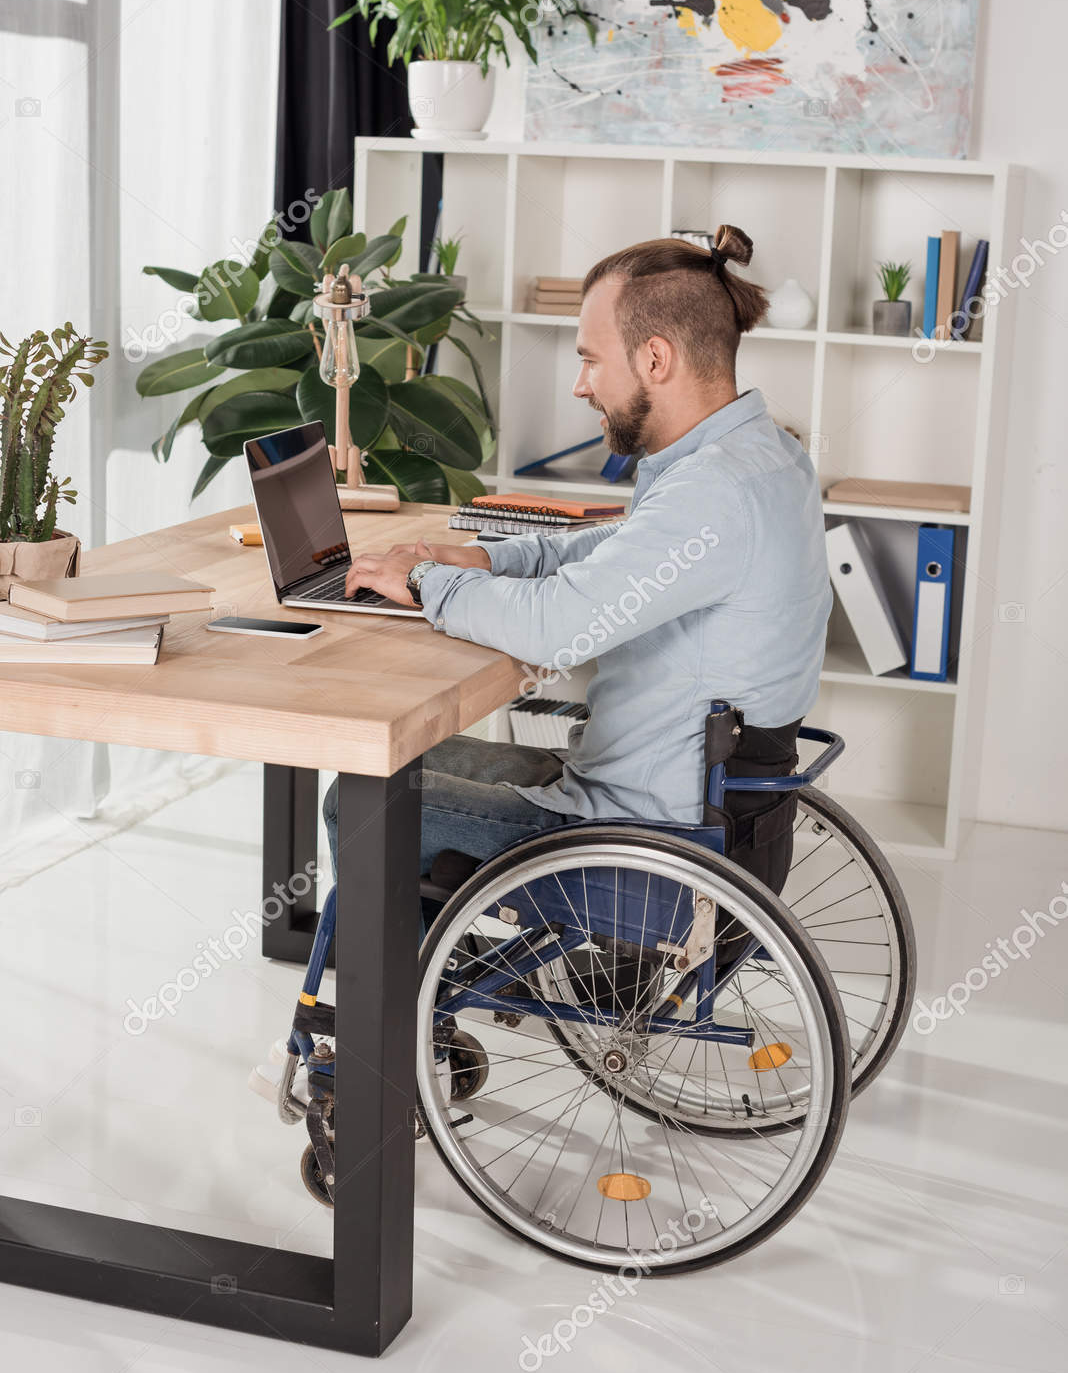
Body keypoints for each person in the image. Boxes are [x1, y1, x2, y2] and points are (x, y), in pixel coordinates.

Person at [251, 225, 832, 1106]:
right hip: (719, 813)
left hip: (644, 845)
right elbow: (624, 554)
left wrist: (429, 586)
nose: (581, 382)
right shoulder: (764, 457)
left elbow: (559, 631)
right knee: (413, 768)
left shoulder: (715, 489)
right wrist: (486, 565)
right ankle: (433, 981)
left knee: (359, 802)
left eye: (592, 357)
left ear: (658, 358)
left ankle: (394, 1046)